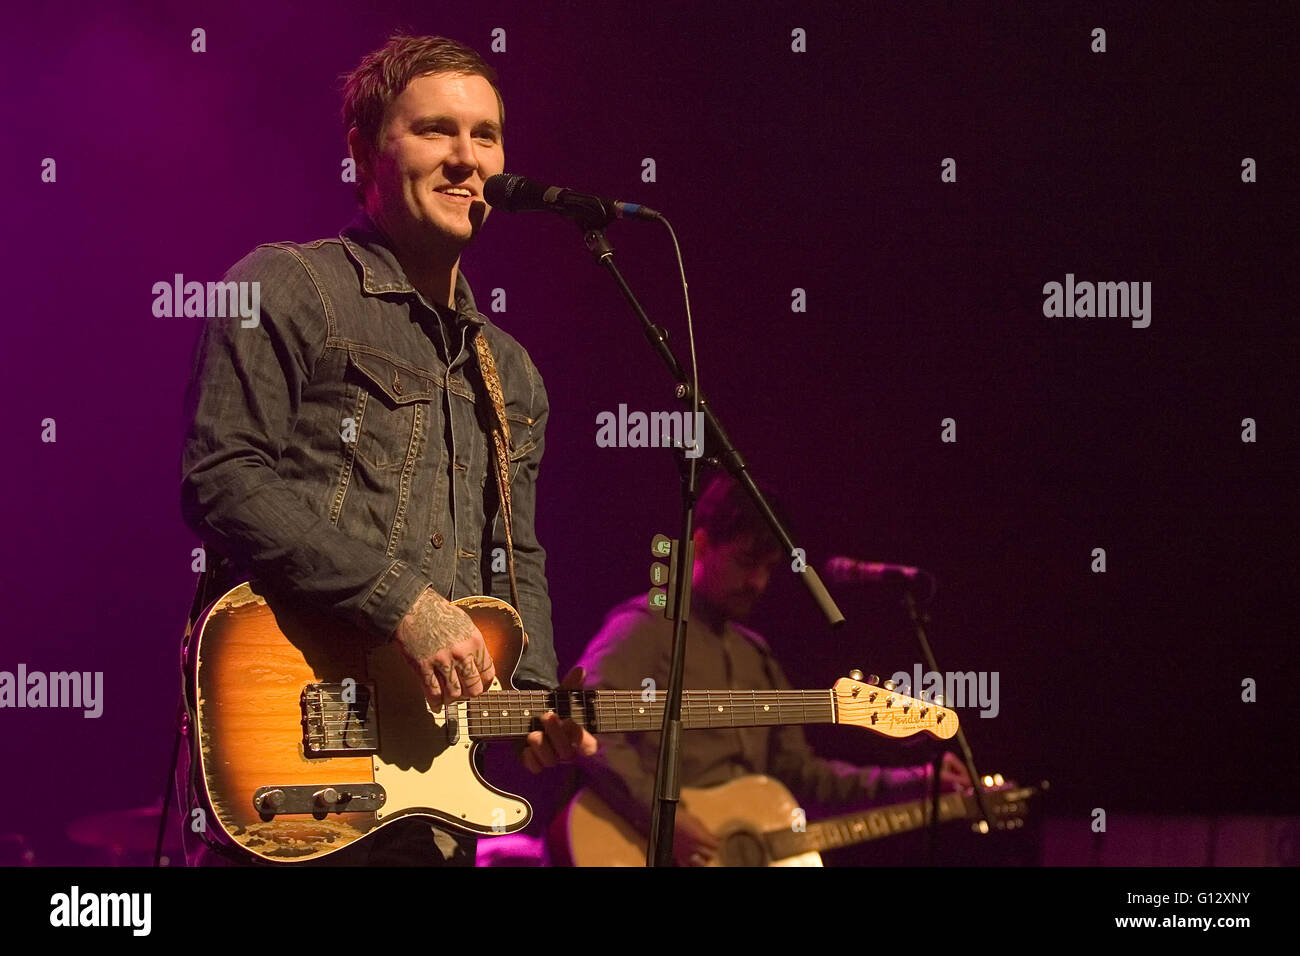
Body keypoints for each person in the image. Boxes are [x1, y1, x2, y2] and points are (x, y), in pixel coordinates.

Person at [178, 33, 595, 866]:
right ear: (365, 152)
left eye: (486, 135)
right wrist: (403, 602)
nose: (467, 159)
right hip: (300, 734)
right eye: (437, 130)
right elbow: (221, 479)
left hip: (429, 792)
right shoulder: (282, 285)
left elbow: (517, 553)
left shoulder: (511, 371)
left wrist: (536, 700)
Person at [573, 472, 971, 866]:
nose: (758, 582)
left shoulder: (756, 655)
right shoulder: (642, 629)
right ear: (701, 544)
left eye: (768, 567)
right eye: (747, 562)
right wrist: (662, 818)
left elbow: (800, 772)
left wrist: (918, 781)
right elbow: (585, 722)